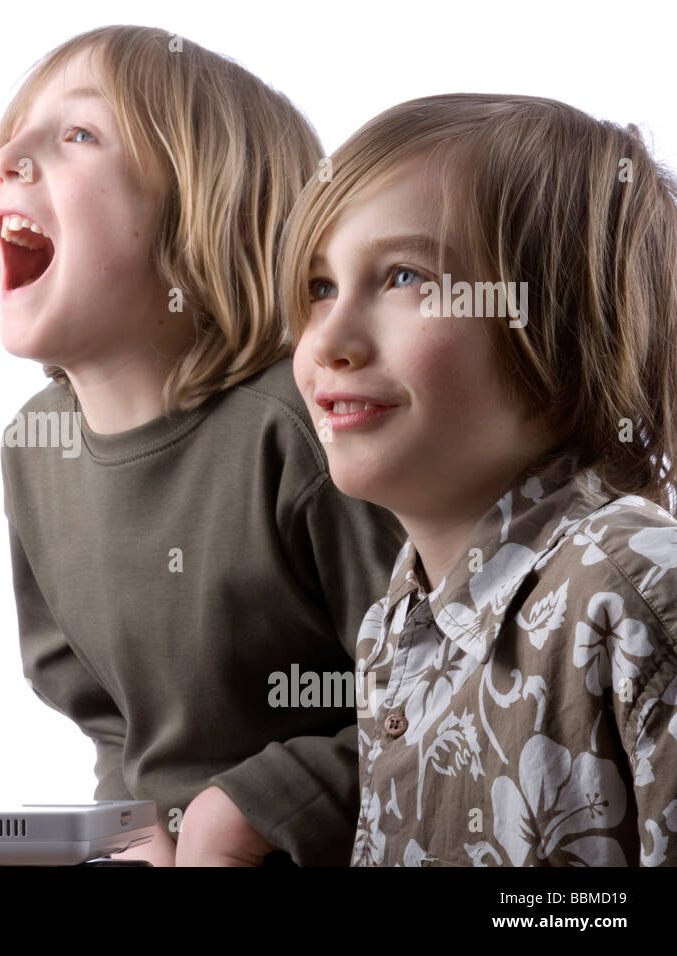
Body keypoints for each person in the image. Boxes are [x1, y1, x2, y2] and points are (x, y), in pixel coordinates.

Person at [0, 25, 405, 866]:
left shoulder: (303, 426)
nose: (6, 159)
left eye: (77, 135)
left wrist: (254, 810)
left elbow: (435, 699)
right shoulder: (36, 450)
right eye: (9, 138)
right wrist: (133, 829)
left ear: (205, 213)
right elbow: (109, 720)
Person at [281, 93, 677, 865]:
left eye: (402, 276)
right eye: (321, 286)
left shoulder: (639, 590)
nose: (327, 339)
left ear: (567, 321)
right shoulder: (392, 626)